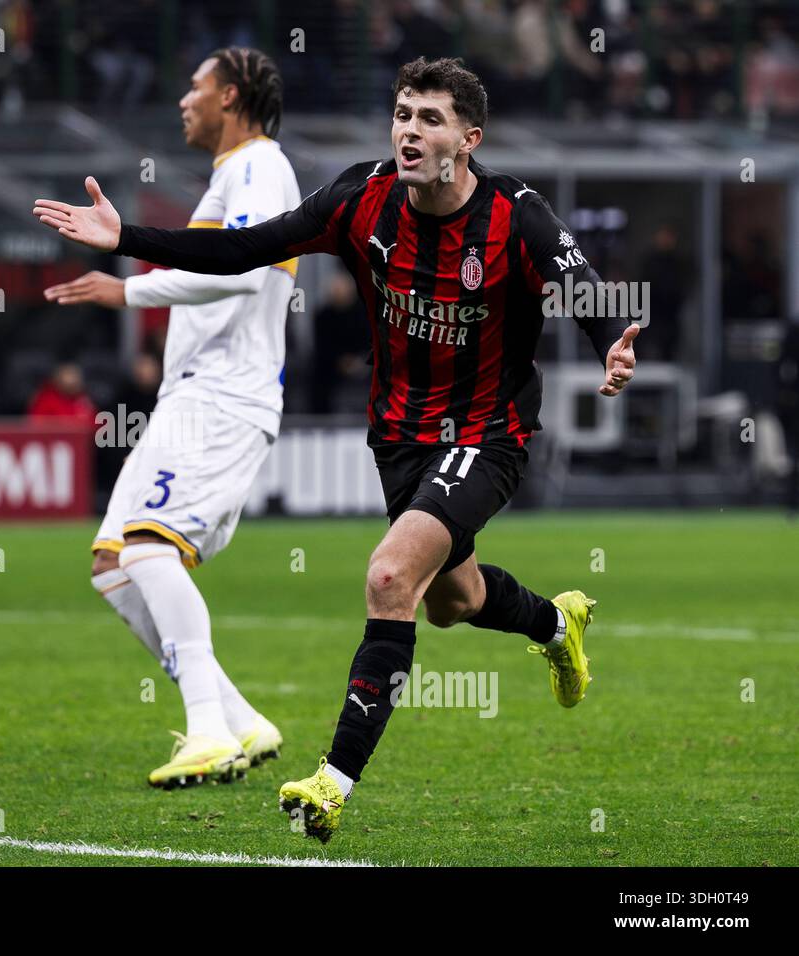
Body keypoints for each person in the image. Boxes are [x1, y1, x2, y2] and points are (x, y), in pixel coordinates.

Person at [34, 57, 640, 841]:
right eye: (401, 114)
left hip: (487, 432)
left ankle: (333, 780)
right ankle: (556, 627)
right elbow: (243, 251)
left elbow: (584, 287)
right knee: (453, 601)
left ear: (469, 138)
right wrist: (129, 241)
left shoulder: (516, 215)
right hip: (398, 435)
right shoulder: (362, 198)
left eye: (429, 119)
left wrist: (610, 348)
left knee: (391, 575)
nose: (409, 132)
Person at [41, 48, 298, 788]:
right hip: (194, 397)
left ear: (233, 94)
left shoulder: (259, 167)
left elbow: (245, 270)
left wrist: (130, 293)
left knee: (150, 550)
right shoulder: (233, 175)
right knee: (115, 564)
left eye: (195, 87)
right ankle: (240, 720)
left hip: (223, 397)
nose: (184, 100)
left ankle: (209, 732)